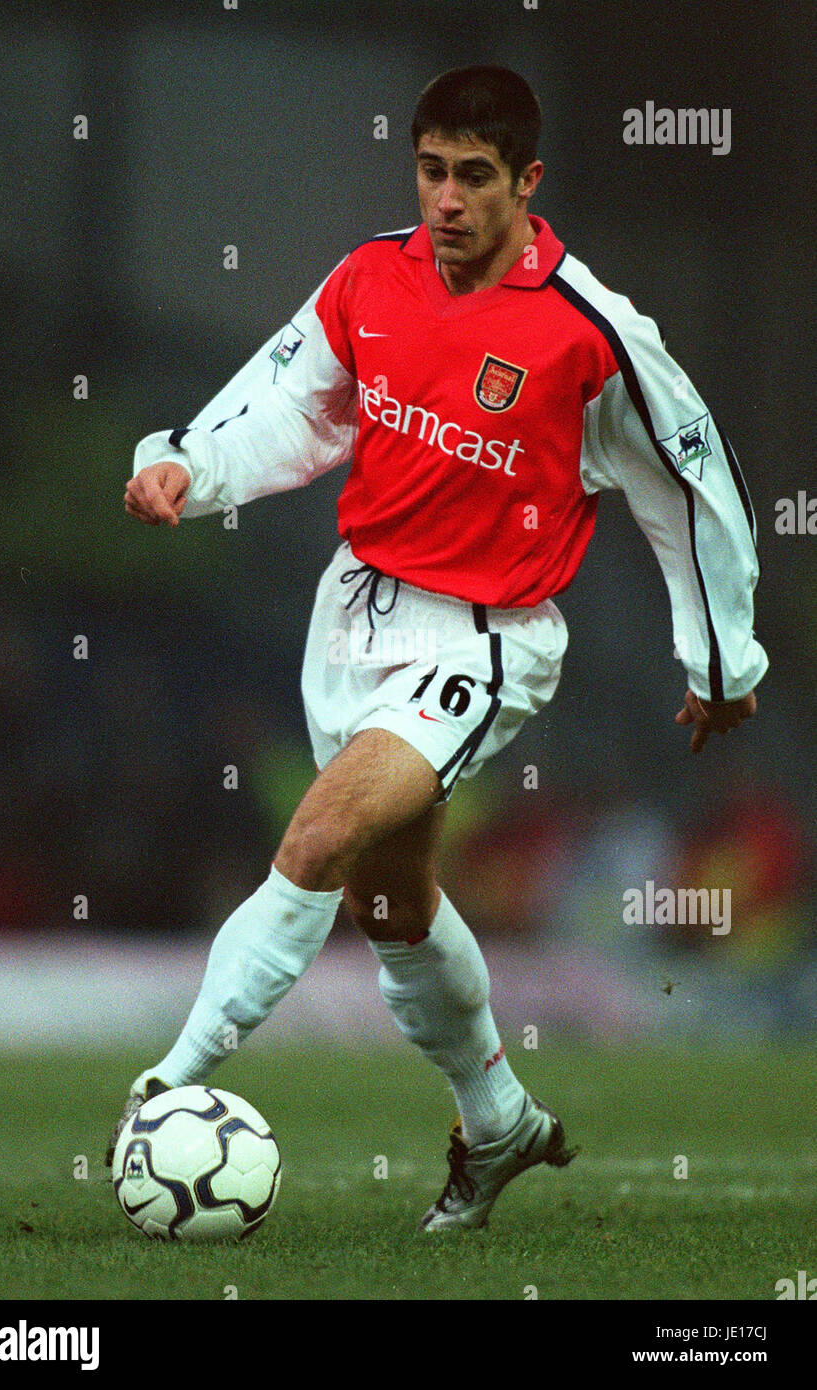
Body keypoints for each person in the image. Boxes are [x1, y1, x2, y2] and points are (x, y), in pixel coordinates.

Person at [112, 65, 765, 1230]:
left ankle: (168, 1087)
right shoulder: (371, 275)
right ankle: (499, 1118)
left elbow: (689, 480)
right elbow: (289, 401)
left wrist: (719, 661)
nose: (447, 199)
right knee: (392, 905)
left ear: (526, 181)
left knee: (313, 840)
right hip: (352, 610)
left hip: (486, 637)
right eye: (430, 170)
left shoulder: (588, 331)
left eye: (474, 176)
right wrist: (188, 465)